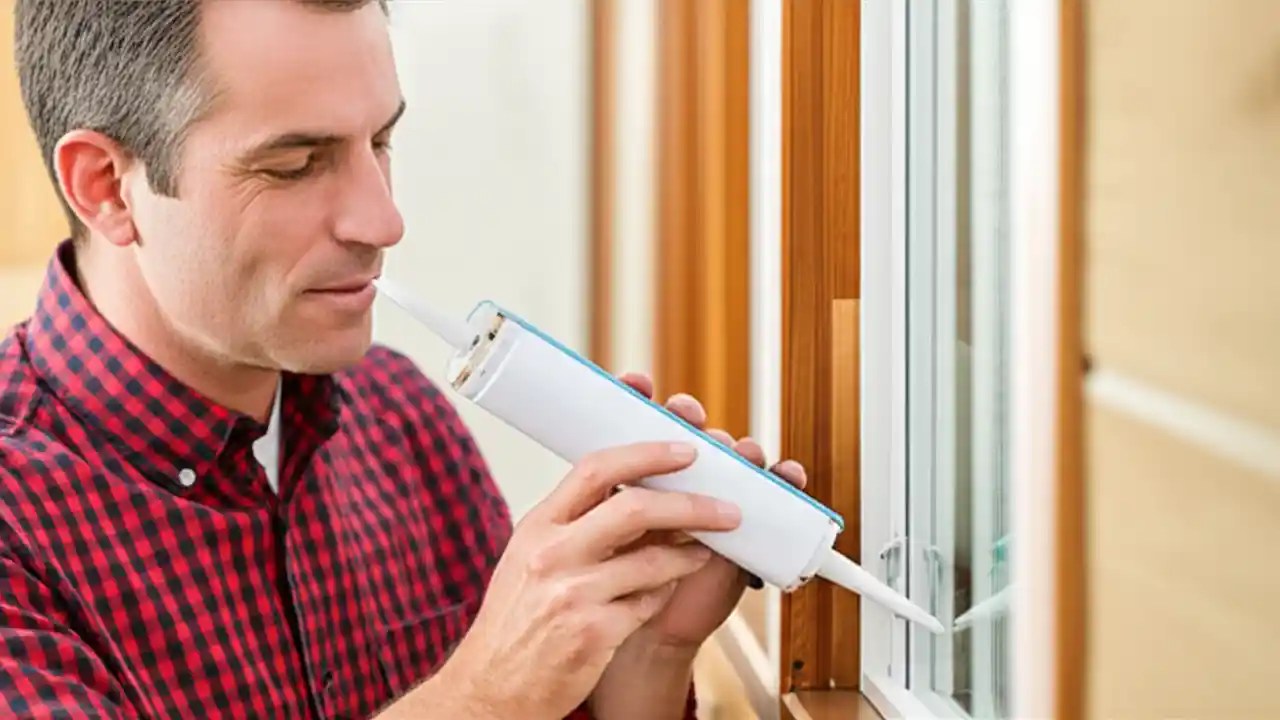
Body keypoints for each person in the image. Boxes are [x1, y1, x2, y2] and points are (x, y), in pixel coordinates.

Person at [0, 2, 811, 718]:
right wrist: (485, 699)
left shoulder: (400, 415)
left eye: (380, 140)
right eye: (295, 164)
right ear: (105, 185)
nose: (382, 219)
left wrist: (646, 658)